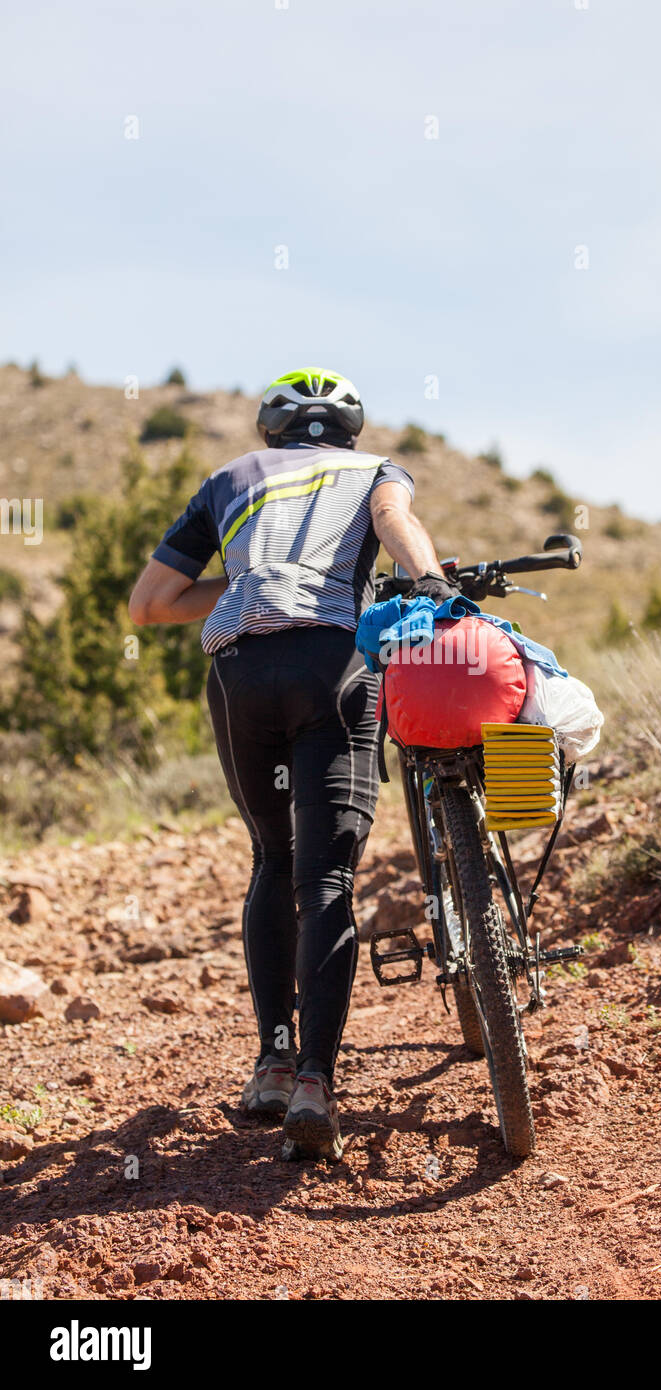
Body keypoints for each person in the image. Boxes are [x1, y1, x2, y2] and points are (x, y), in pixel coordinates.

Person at [129, 368, 456, 1160]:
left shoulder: (229, 478)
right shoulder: (375, 471)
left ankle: (272, 1064)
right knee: (327, 883)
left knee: (273, 862)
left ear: (273, 432)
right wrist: (431, 581)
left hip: (241, 675)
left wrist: (253, 583)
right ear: (349, 430)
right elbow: (393, 519)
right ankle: (316, 1080)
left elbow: (152, 604)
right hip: (333, 669)